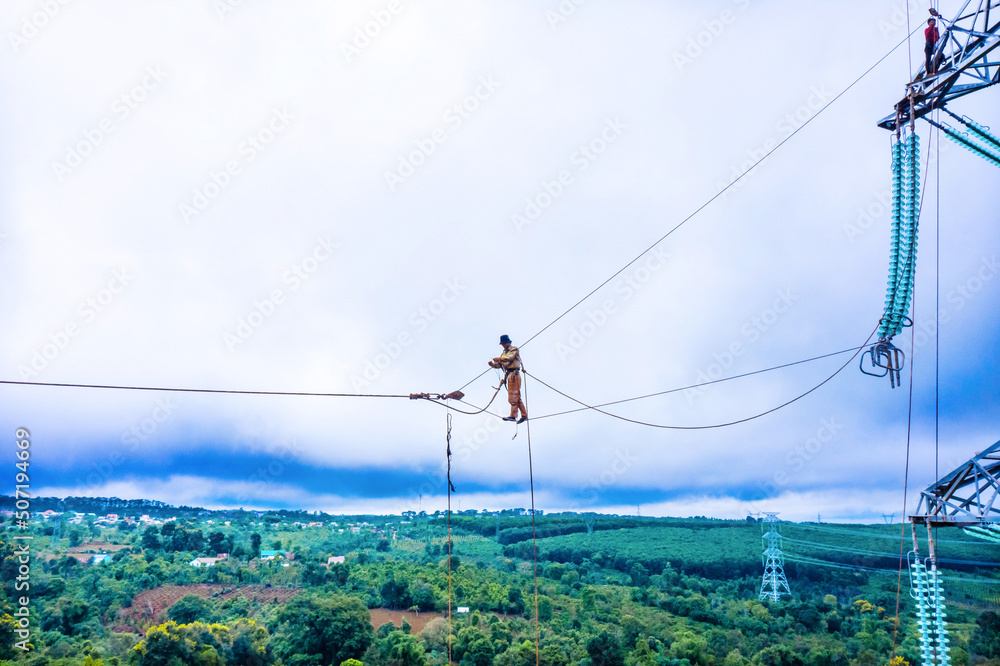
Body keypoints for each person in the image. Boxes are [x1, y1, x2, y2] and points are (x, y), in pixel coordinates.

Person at [489, 334, 527, 423]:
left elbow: (510, 358)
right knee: (516, 396)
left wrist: (499, 358)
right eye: (502, 344)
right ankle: (524, 415)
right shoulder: (504, 353)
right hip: (509, 375)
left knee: (513, 396)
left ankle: (513, 416)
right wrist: (493, 365)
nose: (503, 345)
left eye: (504, 343)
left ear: (508, 342)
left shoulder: (514, 349)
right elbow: (500, 365)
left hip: (514, 374)